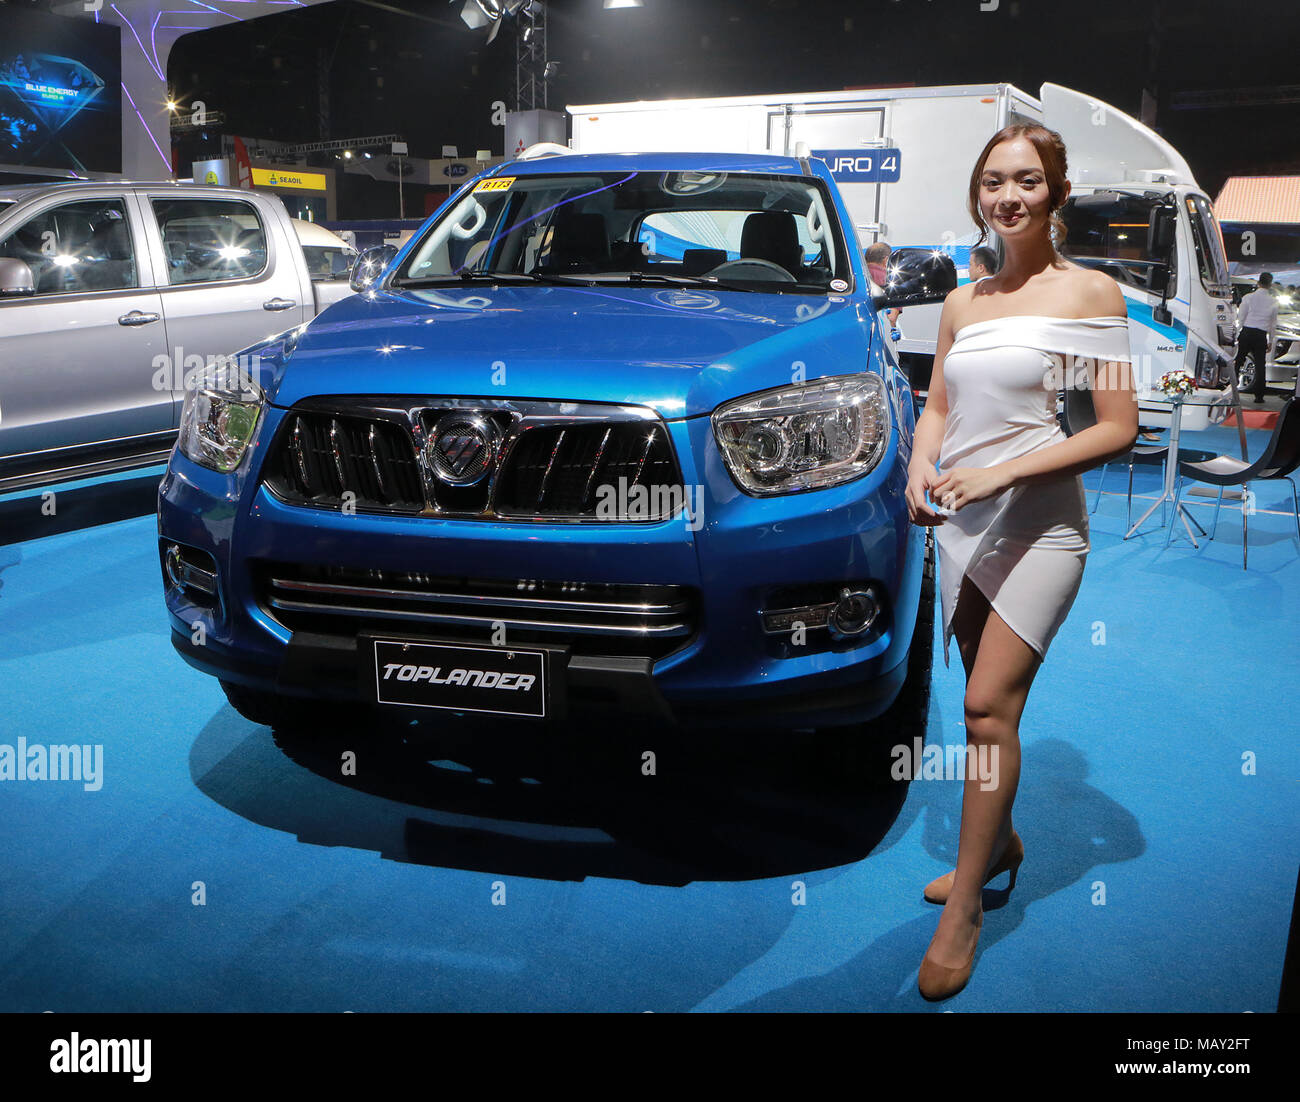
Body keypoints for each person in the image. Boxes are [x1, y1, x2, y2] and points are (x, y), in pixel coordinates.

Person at [904, 123, 1138, 1001]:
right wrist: (922, 464)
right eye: (995, 181)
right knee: (979, 714)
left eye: (1028, 181)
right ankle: (999, 844)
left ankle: (964, 907)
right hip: (961, 527)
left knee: (983, 707)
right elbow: (937, 408)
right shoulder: (964, 302)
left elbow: (1116, 429)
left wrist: (999, 469)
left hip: (1038, 527)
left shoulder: (1091, 295)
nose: (1009, 196)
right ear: (978, 193)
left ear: (1057, 193)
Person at [1235, 273, 1279, 402]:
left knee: (1239, 361)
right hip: (1261, 335)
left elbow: (1241, 317)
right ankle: (1259, 395)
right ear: (1270, 285)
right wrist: (1270, 340)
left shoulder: (1248, 297)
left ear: (1258, 283)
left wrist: (1238, 333)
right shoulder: (1274, 301)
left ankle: (1231, 389)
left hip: (1247, 332)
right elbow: (1273, 323)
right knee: (1260, 365)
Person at [865, 241, 902, 338]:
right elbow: (892, 317)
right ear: (886, 260)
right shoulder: (891, 281)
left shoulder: (855, 276)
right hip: (877, 336)